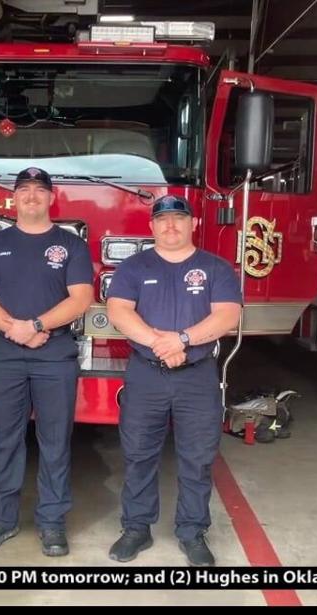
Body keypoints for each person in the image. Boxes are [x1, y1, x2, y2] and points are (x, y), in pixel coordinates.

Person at [103, 195, 243, 567]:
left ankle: (192, 532)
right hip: (146, 374)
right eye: (162, 220)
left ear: (193, 224)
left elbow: (228, 314)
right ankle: (135, 529)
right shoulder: (133, 267)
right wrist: (161, 343)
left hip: (196, 377)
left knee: (197, 459)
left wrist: (182, 339)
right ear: (151, 227)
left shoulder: (215, 268)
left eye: (179, 219)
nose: (170, 226)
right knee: (138, 455)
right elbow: (118, 310)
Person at [0, 167, 93, 557]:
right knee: (4, 441)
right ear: (14, 198)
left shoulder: (70, 245)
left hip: (55, 355)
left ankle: (52, 524)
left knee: (55, 443)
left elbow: (81, 297)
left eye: (40, 190)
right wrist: (14, 329)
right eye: (24, 190)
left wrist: (38, 324)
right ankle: (1, 521)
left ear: (51, 197)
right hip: (6, 354)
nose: (32, 196)